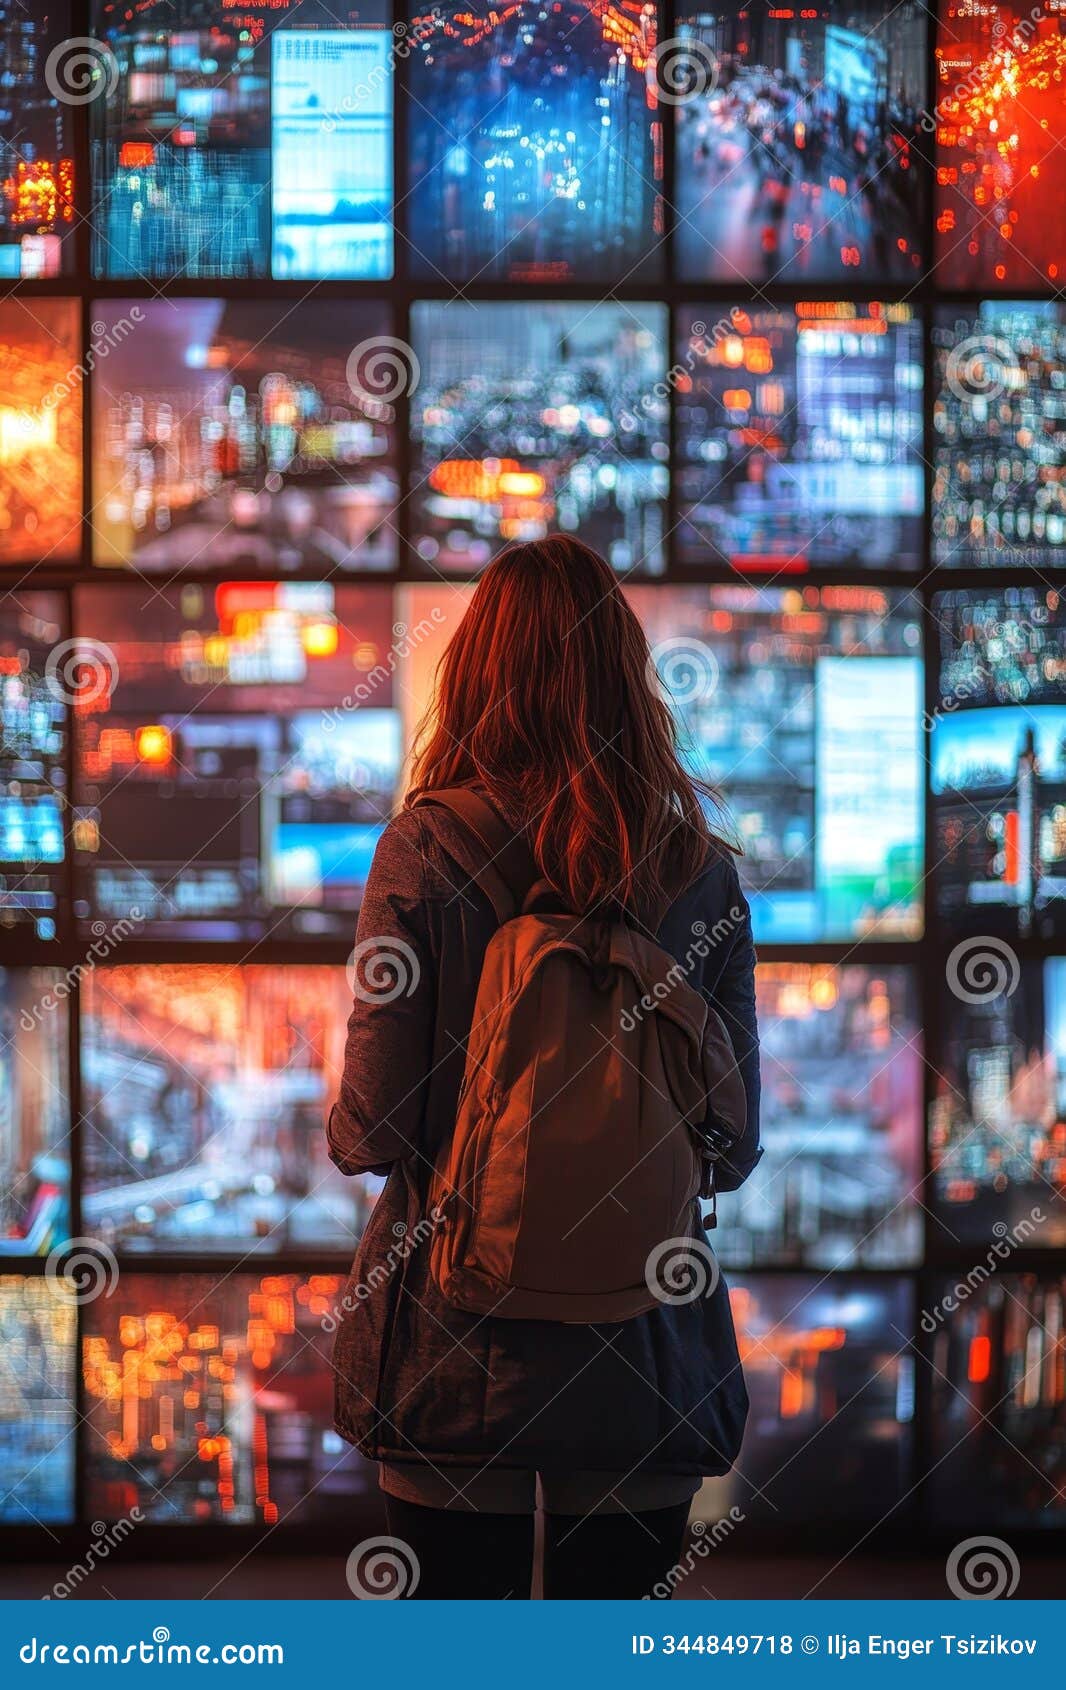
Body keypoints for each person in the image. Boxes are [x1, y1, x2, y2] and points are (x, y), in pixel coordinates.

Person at [327, 536, 761, 1599]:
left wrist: (345, 1126)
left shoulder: (425, 848)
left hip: (449, 1343)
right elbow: (734, 1145)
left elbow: (377, 1124)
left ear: (474, 675)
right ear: (627, 677)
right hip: (640, 1346)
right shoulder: (697, 872)